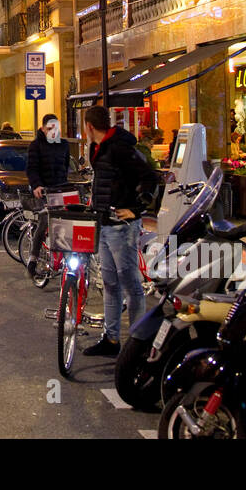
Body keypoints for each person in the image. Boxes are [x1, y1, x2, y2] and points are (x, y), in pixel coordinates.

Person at [80, 105, 160, 356]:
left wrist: (136, 210)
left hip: (122, 228)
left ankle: (138, 344)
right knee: (110, 283)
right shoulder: (99, 148)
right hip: (105, 224)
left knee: (130, 284)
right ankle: (111, 339)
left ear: (90, 126)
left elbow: (149, 176)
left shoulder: (120, 148)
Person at [24, 114, 73, 277]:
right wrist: (36, 185)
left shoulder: (64, 145)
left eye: (55, 128)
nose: (53, 132)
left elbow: (66, 166)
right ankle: (33, 259)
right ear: (43, 129)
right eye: (50, 129)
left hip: (60, 189)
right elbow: (31, 168)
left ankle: (66, 257)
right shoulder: (36, 145)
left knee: (66, 221)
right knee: (44, 221)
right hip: (45, 190)